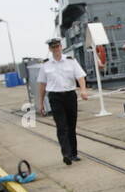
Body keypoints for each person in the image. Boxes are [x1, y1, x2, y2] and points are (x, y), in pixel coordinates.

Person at [36, 37, 89, 165]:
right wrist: (41, 102)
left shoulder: (71, 61)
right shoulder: (45, 64)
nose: (56, 49)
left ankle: (74, 154)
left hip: (70, 95)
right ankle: (66, 154)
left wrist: (83, 90)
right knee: (61, 126)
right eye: (53, 47)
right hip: (55, 97)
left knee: (71, 125)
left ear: (61, 47)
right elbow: (42, 85)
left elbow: (80, 77)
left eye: (58, 46)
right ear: (50, 49)